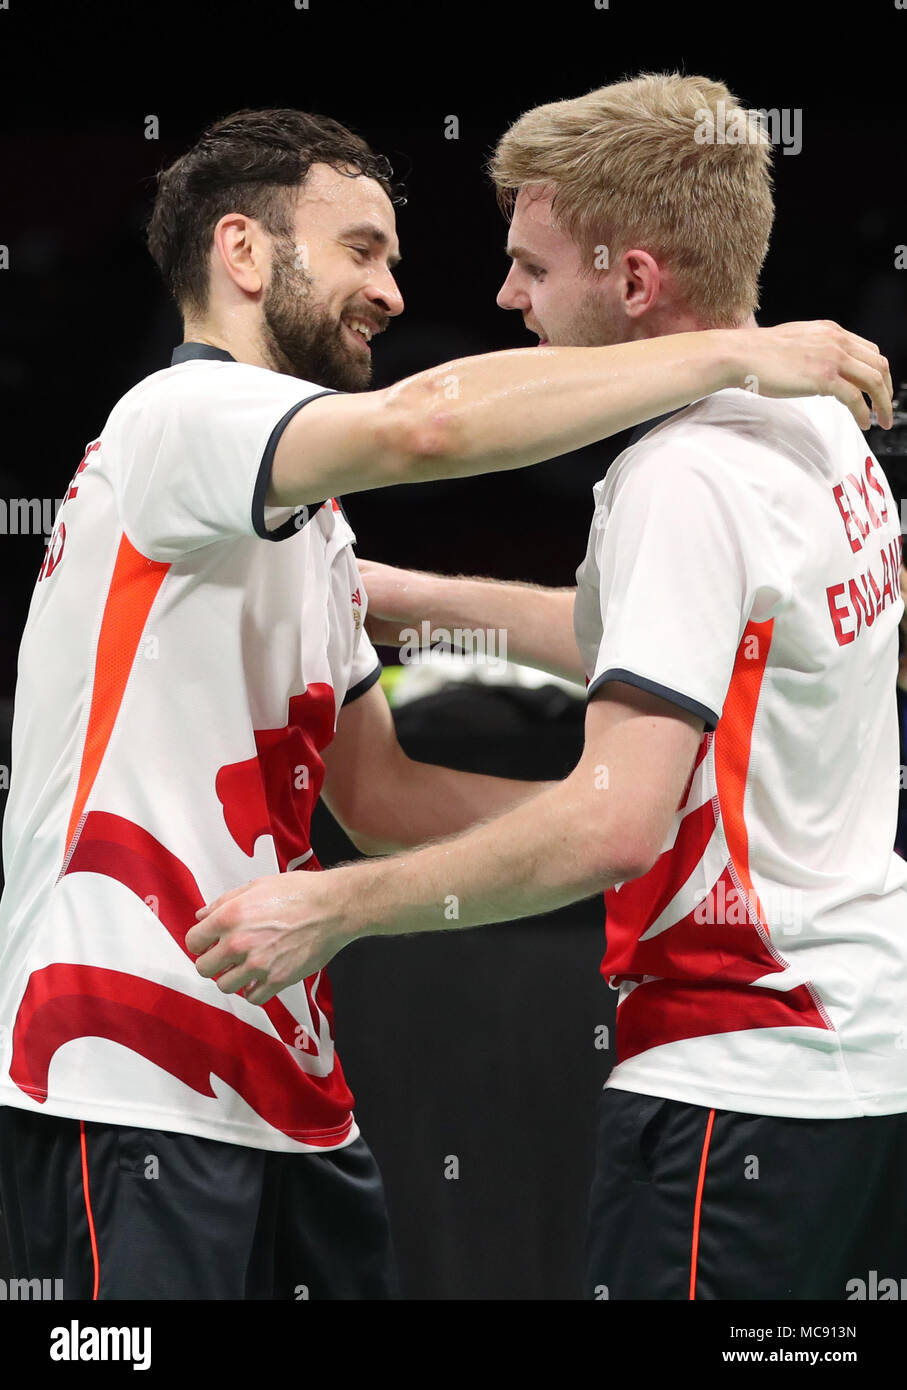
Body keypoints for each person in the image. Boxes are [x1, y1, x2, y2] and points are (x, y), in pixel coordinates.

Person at [0, 105, 871, 1301]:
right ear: (244, 254)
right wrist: (731, 351)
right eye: (362, 249)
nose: (396, 292)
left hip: (288, 1084)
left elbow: (387, 794)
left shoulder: (309, 520)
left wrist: (629, 819)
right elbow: (430, 424)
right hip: (125, 1062)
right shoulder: (177, 419)